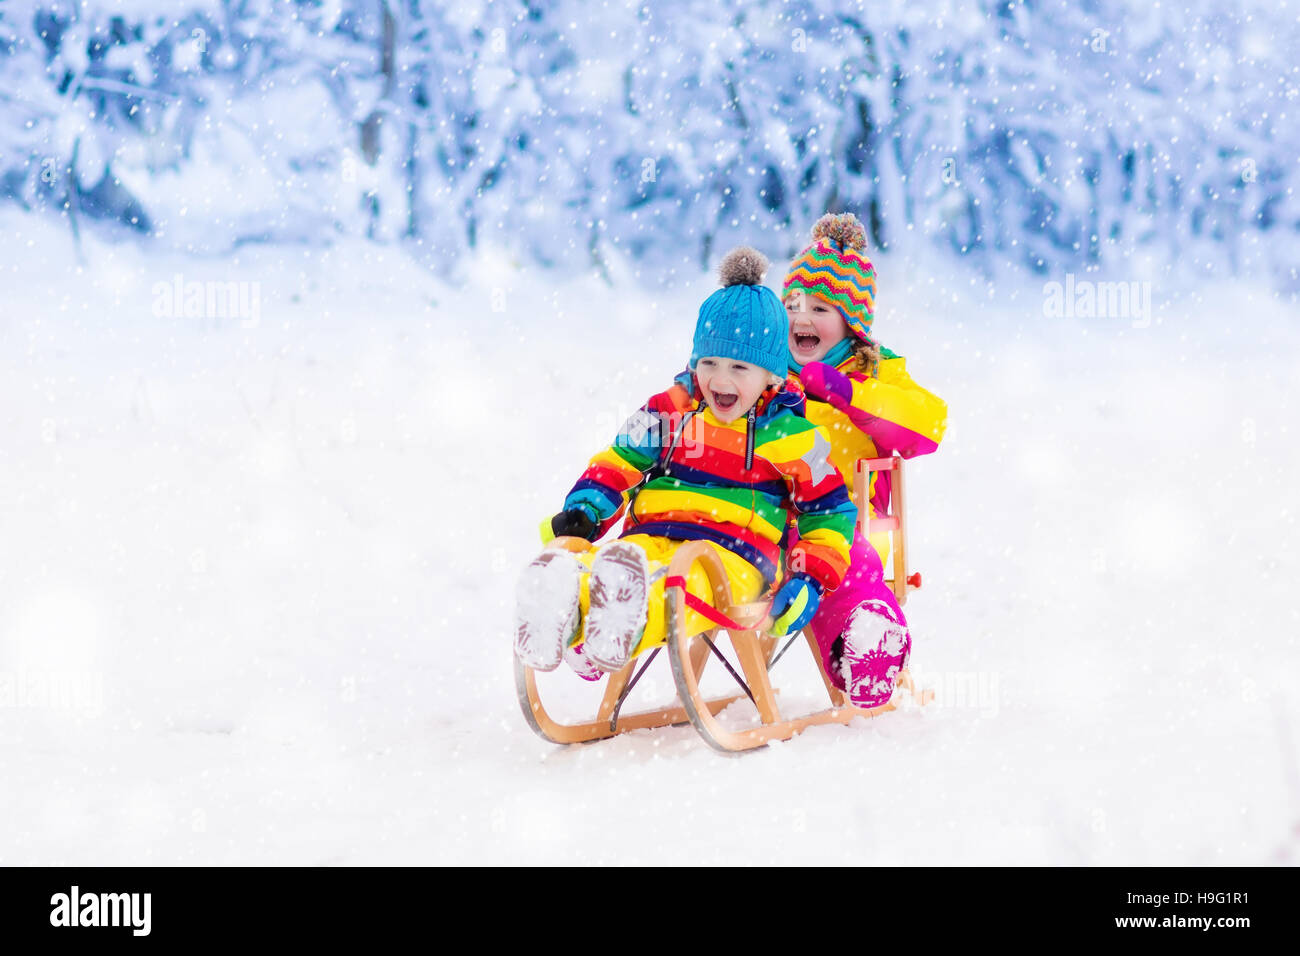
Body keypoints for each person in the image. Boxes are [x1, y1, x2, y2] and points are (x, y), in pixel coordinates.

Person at [514, 247, 857, 680]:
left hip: (737, 557)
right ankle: (562, 608)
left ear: (771, 375)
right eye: (708, 363)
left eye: (738, 367)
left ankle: (619, 628)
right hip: (652, 535)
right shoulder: (670, 410)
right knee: (620, 564)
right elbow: (621, 458)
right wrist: (586, 509)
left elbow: (829, 512)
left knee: (681, 586)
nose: (720, 379)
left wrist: (809, 578)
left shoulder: (794, 437)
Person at [782, 212, 949, 708]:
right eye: (792, 304)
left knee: (847, 560)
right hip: (761, 513)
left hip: (845, 517)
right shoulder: (765, 367)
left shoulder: (875, 369)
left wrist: (849, 393)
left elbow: (927, 423)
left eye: (819, 307)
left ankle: (865, 644)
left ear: (851, 322)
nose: (801, 318)